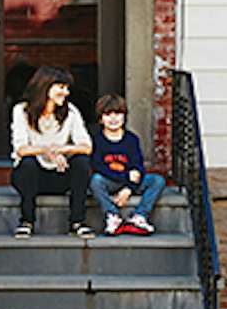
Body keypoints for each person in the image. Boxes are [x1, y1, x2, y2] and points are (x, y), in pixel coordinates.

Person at [9, 65, 95, 239]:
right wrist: (47, 151)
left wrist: (62, 150)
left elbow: (86, 146)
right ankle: (27, 221)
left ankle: (77, 222)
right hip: (31, 177)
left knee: (81, 161)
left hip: (60, 175)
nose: (66, 93)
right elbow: (21, 149)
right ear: (45, 86)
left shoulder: (71, 112)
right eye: (61, 87)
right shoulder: (21, 111)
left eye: (67, 88)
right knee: (28, 163)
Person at [89, 93, 165, 236]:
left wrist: (128, 189)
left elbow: (138, 167)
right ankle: (112, 215)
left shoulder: (131, 139)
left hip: (131, 182)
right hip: (109, 181)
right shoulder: (97, 140)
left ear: (124, 116)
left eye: (117, 113)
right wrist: (126, 177)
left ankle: (139, 217)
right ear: (100, 118)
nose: (113, 118)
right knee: (95, 181)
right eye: (107, 114)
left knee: (157, 180)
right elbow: (98, 166)